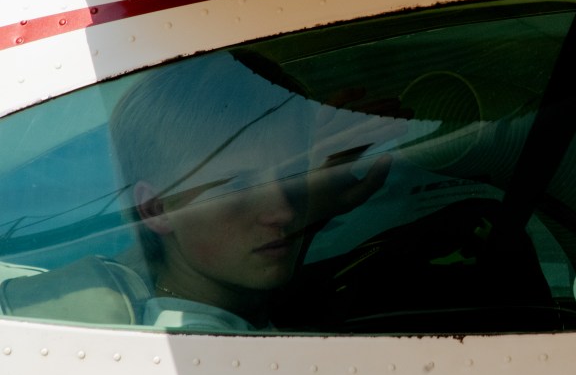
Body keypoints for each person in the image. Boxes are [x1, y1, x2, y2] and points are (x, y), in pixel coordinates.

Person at [108, 51, 396, 331]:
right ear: (156, 209)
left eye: (291, 174)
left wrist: (316, 202)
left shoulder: (221, 312)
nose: (283, 212)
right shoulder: (212, 360)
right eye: (238, 185)